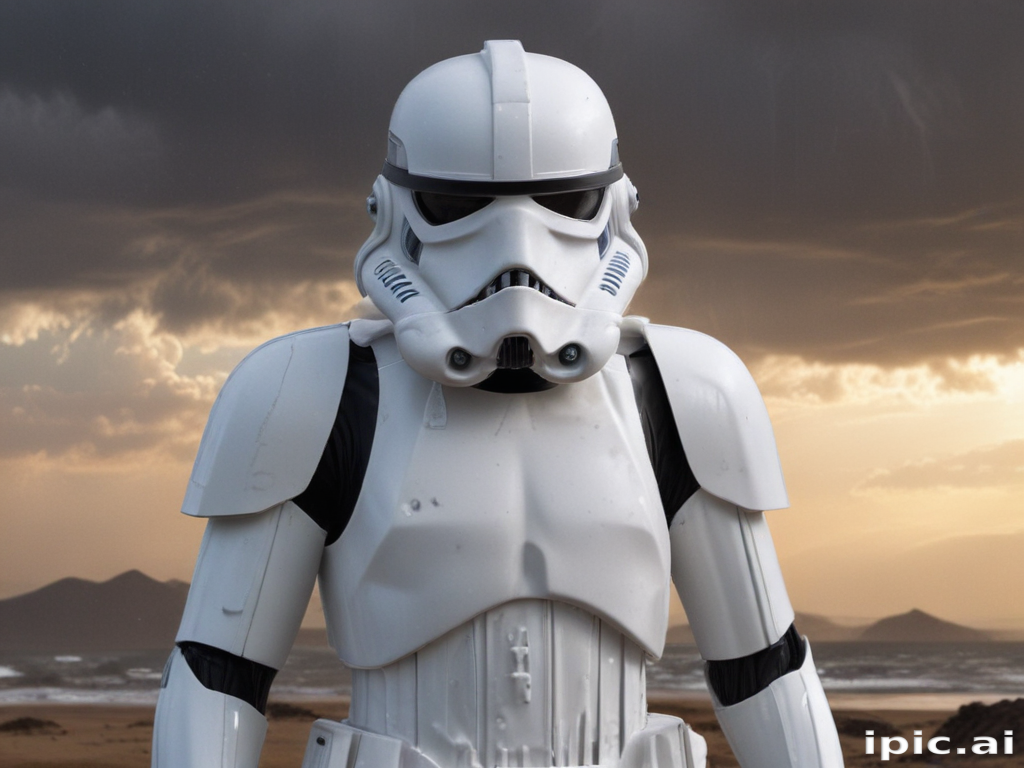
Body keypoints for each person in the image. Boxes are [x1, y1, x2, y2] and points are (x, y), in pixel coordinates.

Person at [152, 40, 845, 768]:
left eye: (561, 204)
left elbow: (766, 671)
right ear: (392, 212)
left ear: (616, 208)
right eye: (460, 208)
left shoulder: (686, 393)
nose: (518, 249)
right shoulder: (309, 393)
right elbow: (216, 676)